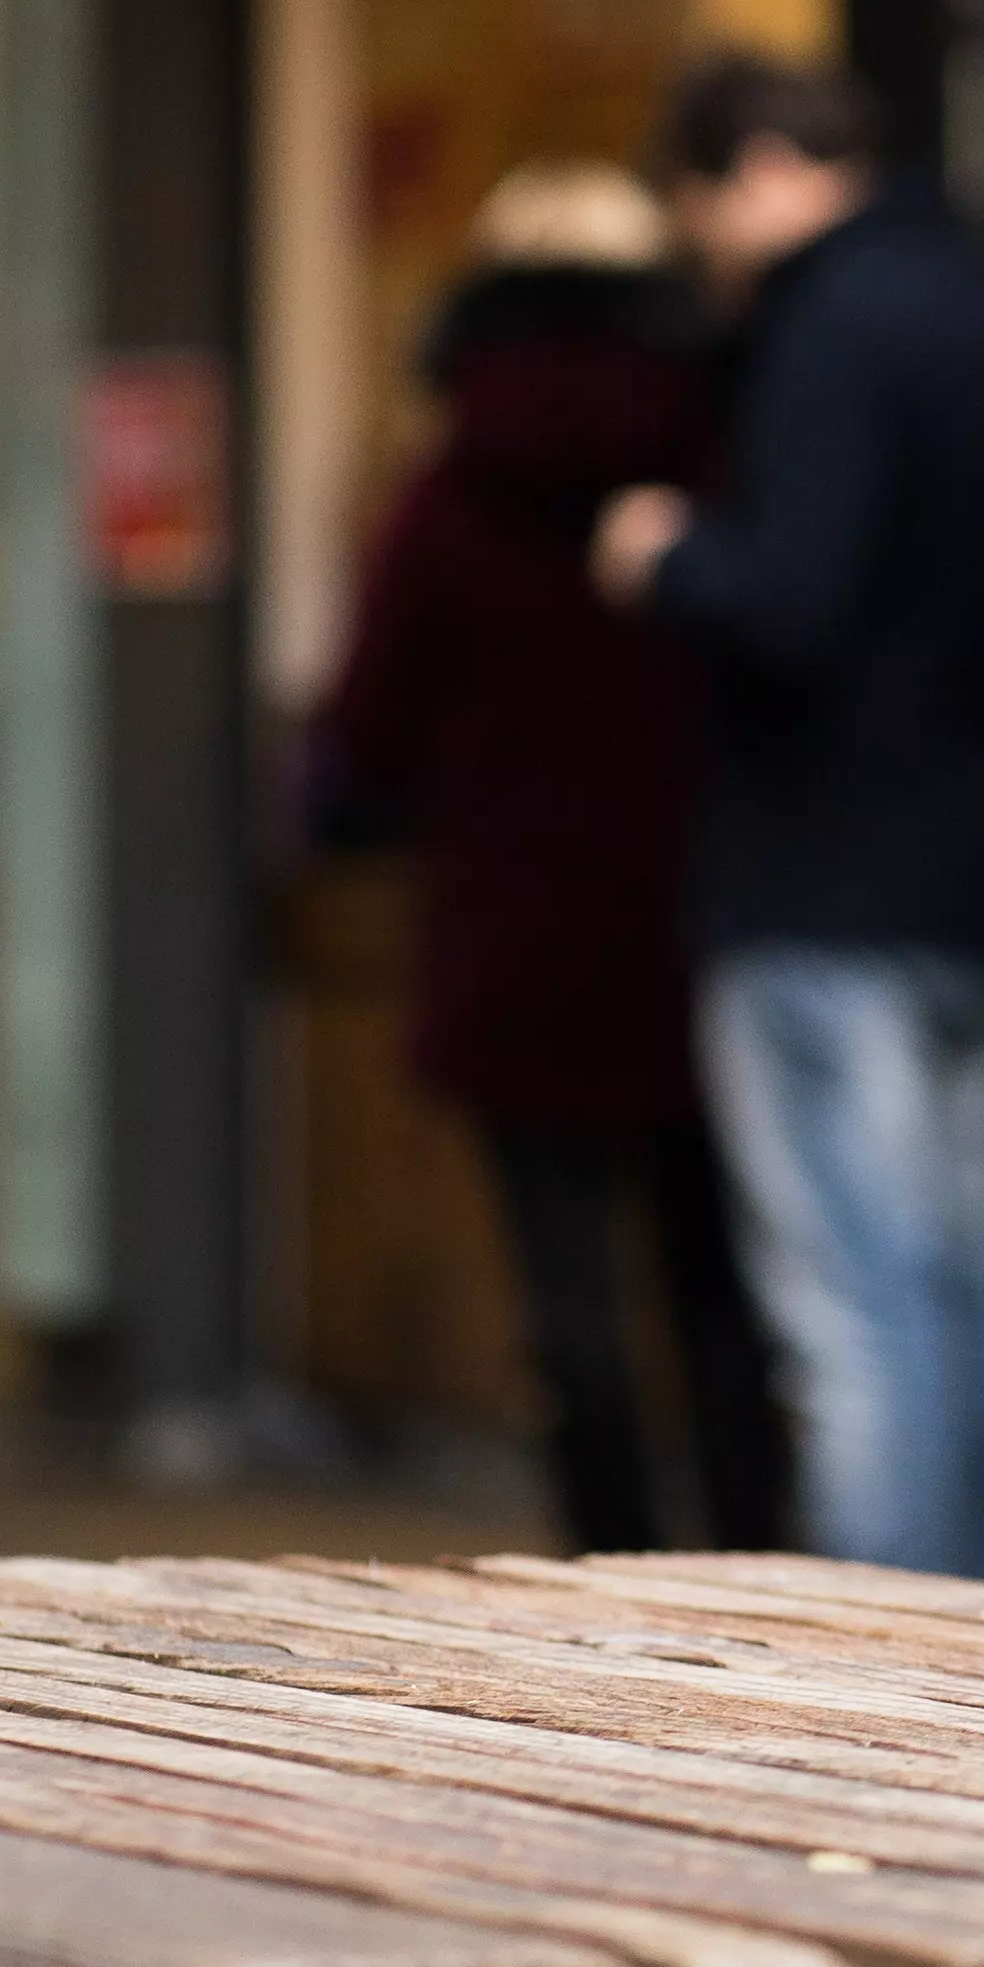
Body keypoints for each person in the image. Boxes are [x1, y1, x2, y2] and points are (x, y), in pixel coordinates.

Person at [593, 55, 984, 1583]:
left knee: (855, 1300)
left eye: (696, 213)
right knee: (978, 1272)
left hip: (820, 876)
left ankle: (888, 1631)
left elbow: (796, 599)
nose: (705, 256)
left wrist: (666, 554)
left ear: (750, 170)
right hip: (981, 863)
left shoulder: (824, 330)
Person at [310, 162, 793, 1554]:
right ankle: (753, 1558)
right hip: (701, 917)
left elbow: (367, 723)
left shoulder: (445, 489)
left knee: (565, 1293)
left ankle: (610, 1557)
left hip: (514, 928)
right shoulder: (724, 454)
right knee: (720, 1283)